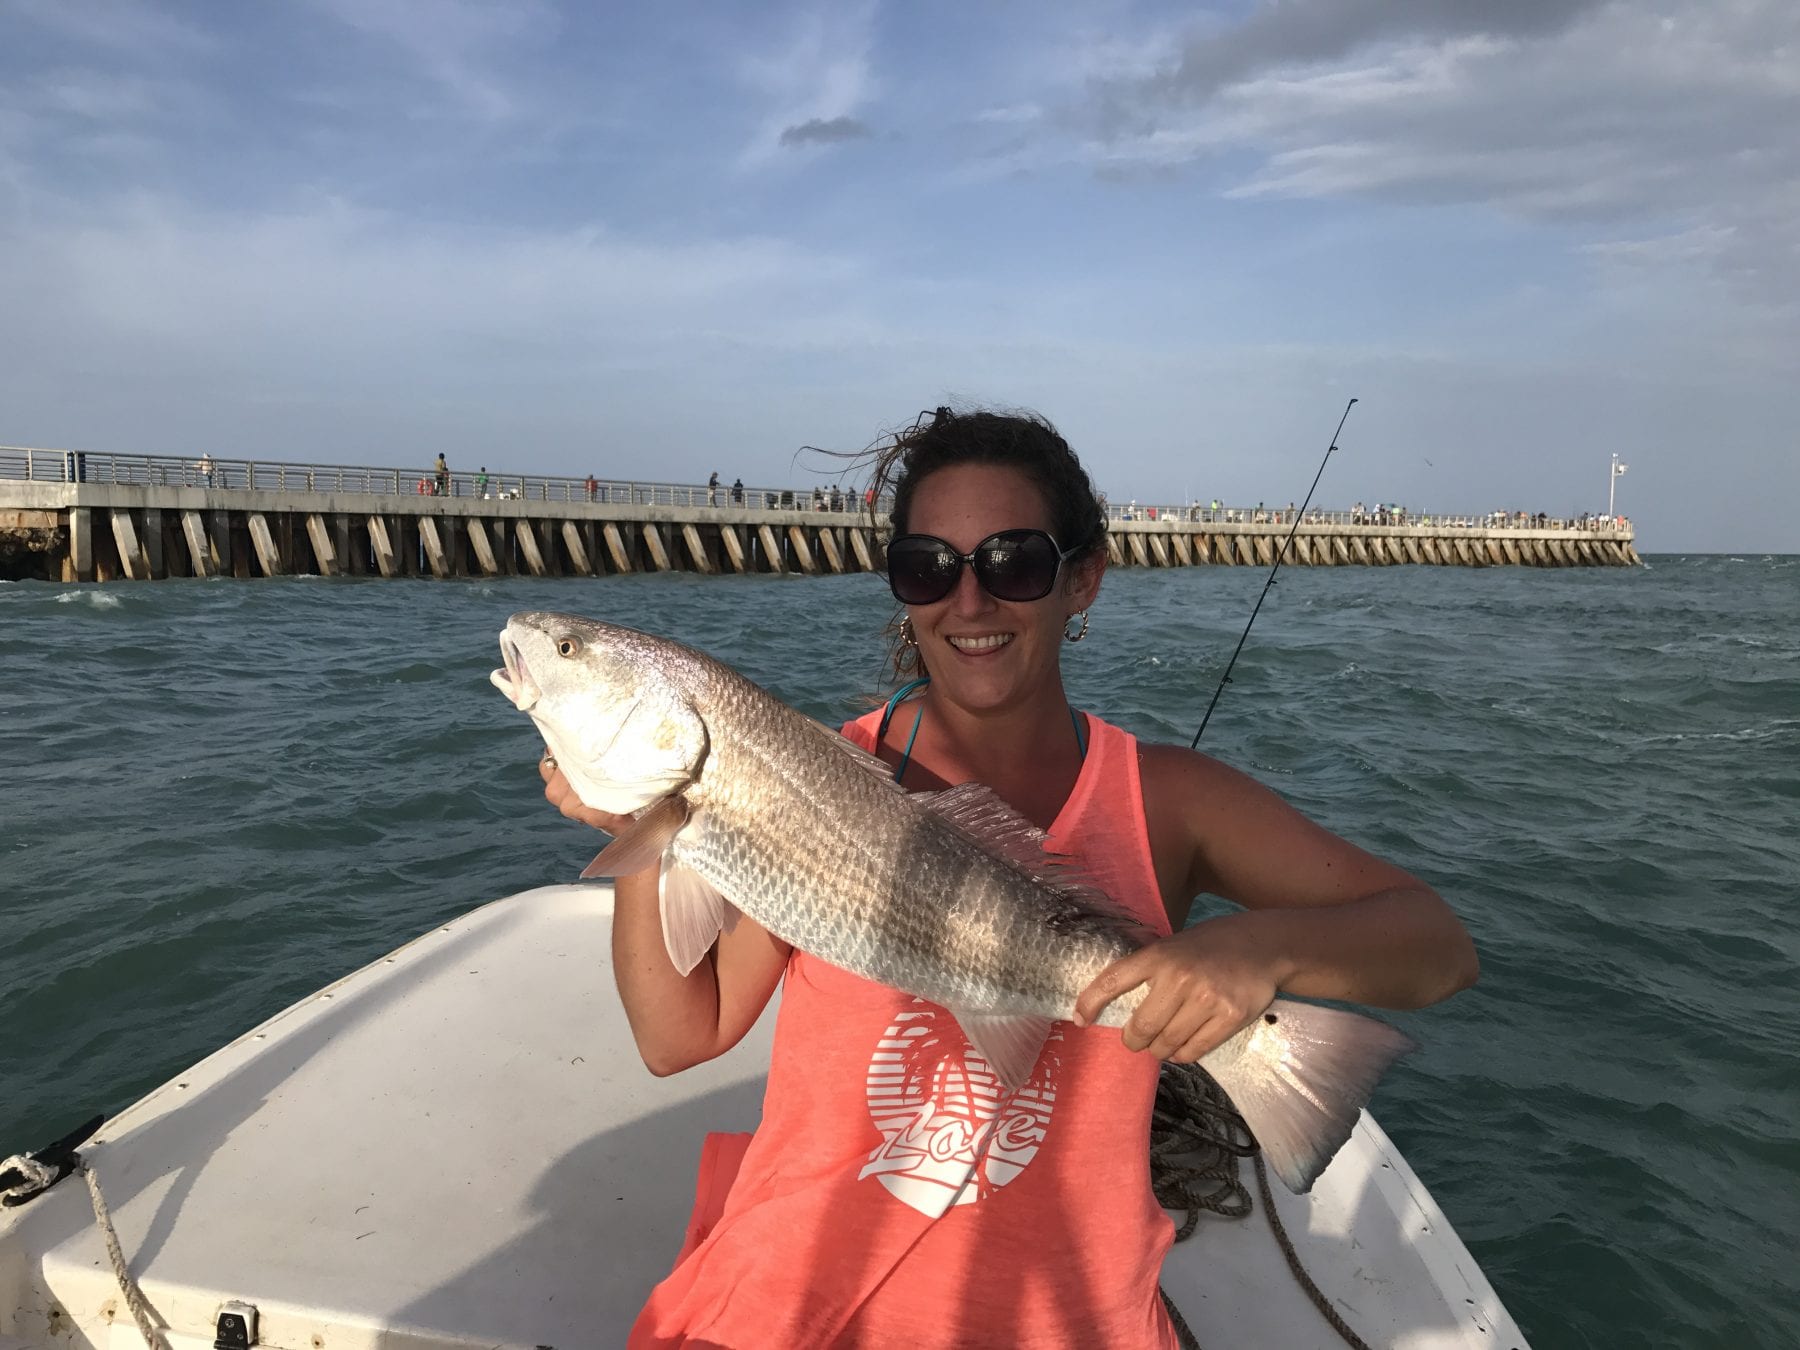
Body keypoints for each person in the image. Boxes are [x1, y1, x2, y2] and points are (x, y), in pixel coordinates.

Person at [539, 407, 1477, 1347]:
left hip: (1059, 1317)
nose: (971, 602)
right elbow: (680, 1034)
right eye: (930, 567)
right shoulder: (807, 782)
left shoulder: (1167, 800)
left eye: (1014, 562)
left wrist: (1250, 948)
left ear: (1084, 580)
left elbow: (1434, 947)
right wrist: (648, 834)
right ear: (903, 589)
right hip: (784, 1301)